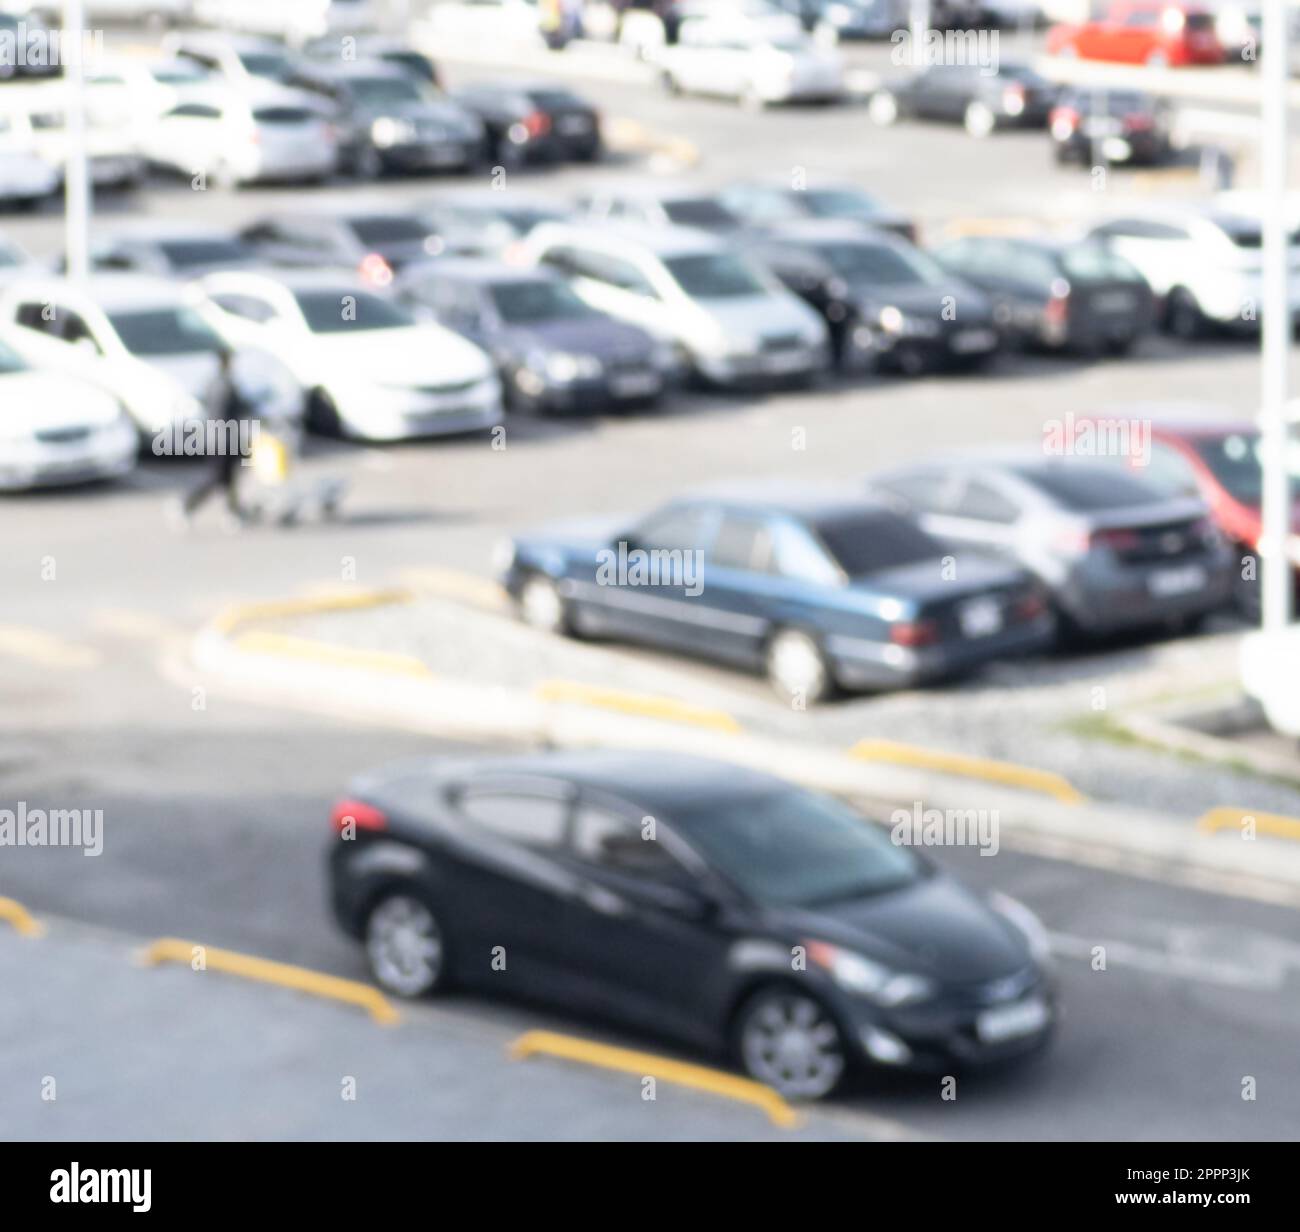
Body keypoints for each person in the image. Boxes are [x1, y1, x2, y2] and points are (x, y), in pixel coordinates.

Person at [177, 348, 253, 527]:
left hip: (218, 438)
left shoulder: (213, 383)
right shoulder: (225, 385)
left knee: (230, 479)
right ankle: (188, 505)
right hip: (224, 440)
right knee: (218, 478)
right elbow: (227, 413)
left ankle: (234, 512)